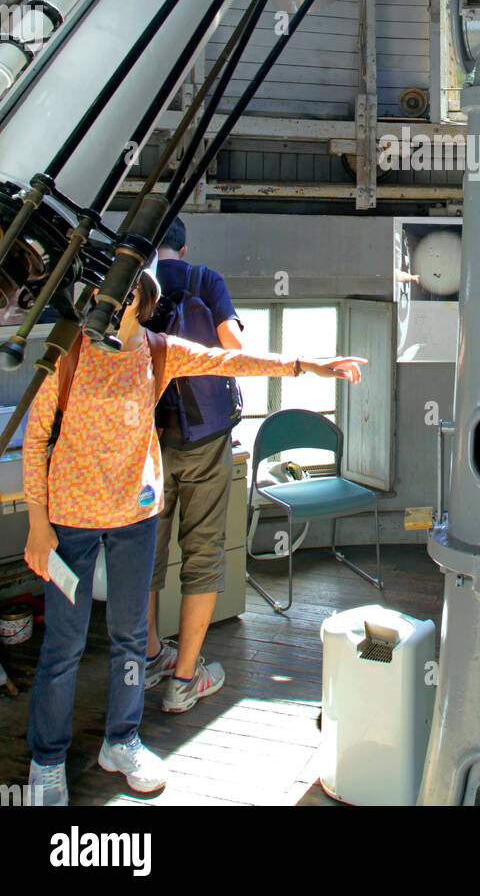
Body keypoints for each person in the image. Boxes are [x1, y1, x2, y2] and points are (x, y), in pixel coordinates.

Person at [23, 265, 365, 807]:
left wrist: (308, 366)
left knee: (132, 638)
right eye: (96, 290)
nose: (103, 299)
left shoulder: (159, 353)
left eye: (117, 291)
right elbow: (37, 437)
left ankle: (122, 741)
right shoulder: (69, 352)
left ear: (142, 300)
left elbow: (233, 360)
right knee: (63, 647)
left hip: (134, 519)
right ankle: (46, 761)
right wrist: (39, 526)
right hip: (70, 522)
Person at [144, 219, 245, 713]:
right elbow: (235, 349)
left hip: (147, 442)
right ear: (184, 246)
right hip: (205, 437)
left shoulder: (135, 289)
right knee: (203, 552)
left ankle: (146, 659)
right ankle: (184, 680)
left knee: (147, 551)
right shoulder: (206, 280)